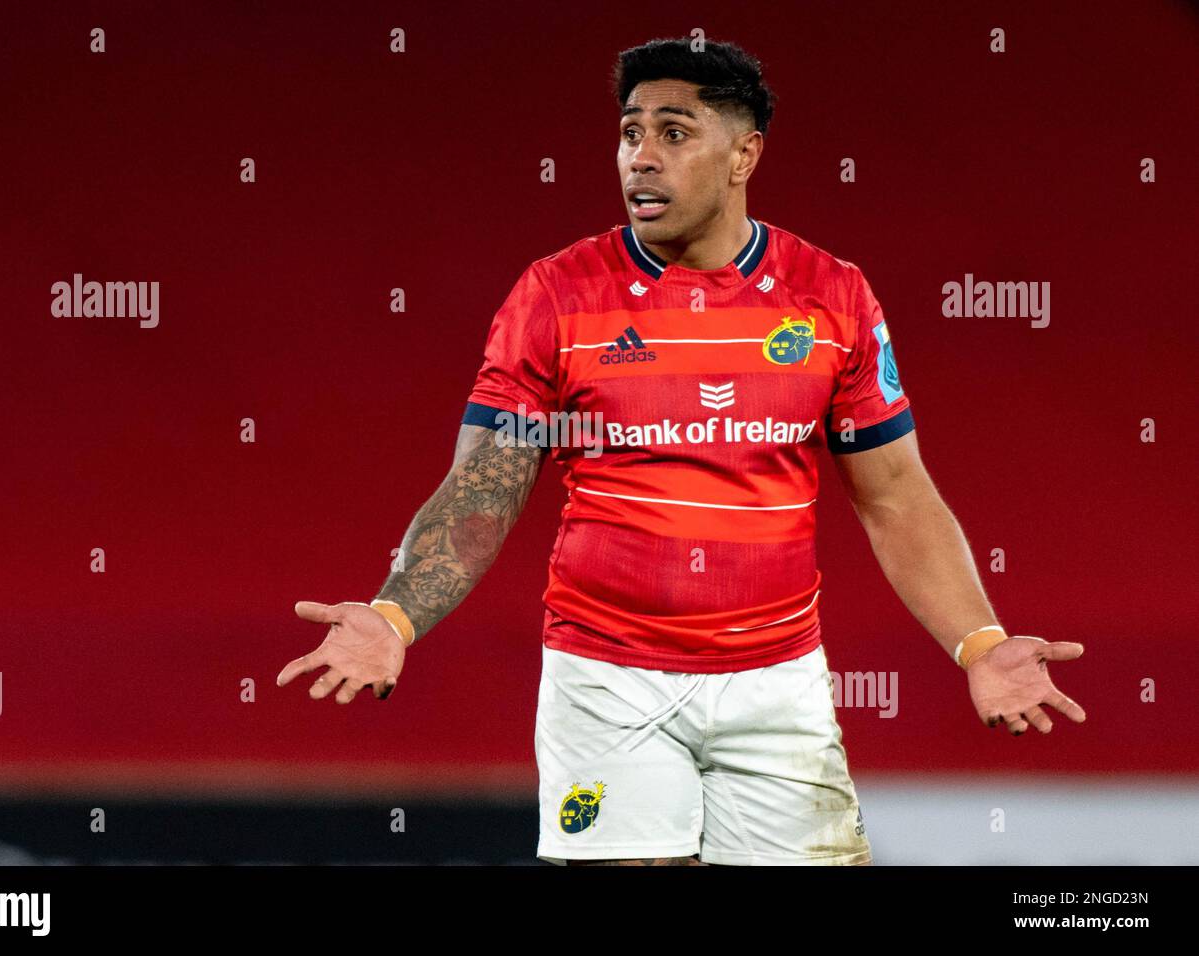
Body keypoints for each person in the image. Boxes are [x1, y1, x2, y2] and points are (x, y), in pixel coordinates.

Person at [276, 37, 1087, 866]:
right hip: (607, 678)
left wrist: (980, 645)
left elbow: (896, 498)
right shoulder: (556, 295)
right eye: (630, 133)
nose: (641, 159)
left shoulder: (831, 297)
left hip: (778, 680)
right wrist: (396, 613)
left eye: (673, 133)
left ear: (744, 155)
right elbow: (484, 486)